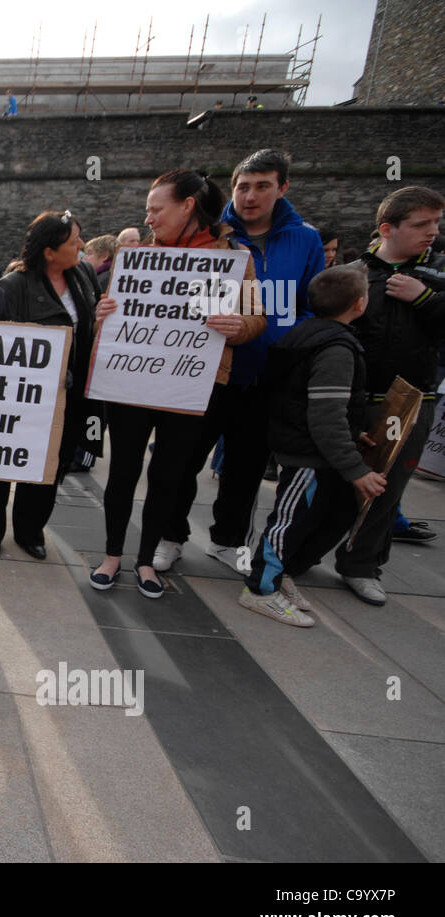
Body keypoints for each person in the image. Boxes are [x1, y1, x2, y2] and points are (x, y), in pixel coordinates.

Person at [90, 170, 265, 598]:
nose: (148, 218)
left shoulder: (233, 258)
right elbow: (112, 323)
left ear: (187, 206)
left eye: (156, 209)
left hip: (190, 386)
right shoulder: (139, 258)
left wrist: (238, 325)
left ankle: (147, 560)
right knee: (124, 470)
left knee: (169, 475)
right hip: (132, 382)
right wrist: (103, 312)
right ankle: (112, 554)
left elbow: (258, 318)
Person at [153, 149, 327, 574]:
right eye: (243, 187)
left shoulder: (305, 239)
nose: (251, 196)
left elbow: (314, 304)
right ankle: (170, 535)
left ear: (282, 188)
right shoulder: (213, 237)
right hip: (206, 372)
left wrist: (275, 336)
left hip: (268, 375)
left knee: (246, 468)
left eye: (263, 186)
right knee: (183, 460)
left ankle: (228, 541)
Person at [240, 263, 384, 625]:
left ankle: (279, 576)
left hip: (310, 449)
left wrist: (351, 437)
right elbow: (324, 415)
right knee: (288, 522)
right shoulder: (336, 348)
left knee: (307, 519)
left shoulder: (309, 334)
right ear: (360, 304)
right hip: (307, 453)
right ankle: (260, 588)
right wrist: (356, 469)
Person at [335, 186, 445, 605]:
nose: (432, 232)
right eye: (422, 224)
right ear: (387, 229)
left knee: (386, 489)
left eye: (435, 222)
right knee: (333, 483)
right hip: (357, 397)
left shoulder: (438, 273)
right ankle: (302, 553)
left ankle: (361, 566)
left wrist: (427, 299)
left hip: (412, 400)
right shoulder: (354, 273)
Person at [0, 210, 103, 559]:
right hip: (21, 398)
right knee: (1, 464)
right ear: (49, 251)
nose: (80, 246)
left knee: (51, 464)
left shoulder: (84, 276)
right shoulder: (13, 287)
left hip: (70, 395)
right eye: (73, 241)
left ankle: (30, 531)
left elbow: (88, 327)